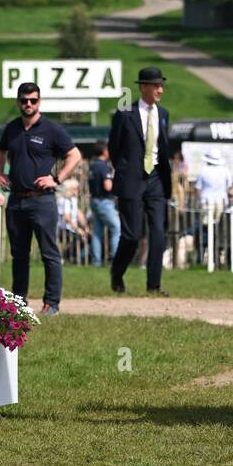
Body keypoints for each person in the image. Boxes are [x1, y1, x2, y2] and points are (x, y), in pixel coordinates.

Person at [0, 82, 82, 316]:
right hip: (16, 200)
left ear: (39, 101)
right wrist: (0, 173)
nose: (28, 104)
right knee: (18, 254)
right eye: (24, 100)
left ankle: (51, 303)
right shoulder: (11, 128)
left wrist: (57, 178)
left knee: (49, 253)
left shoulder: (51, 129)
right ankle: (19, 303)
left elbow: (74, 155)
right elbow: (0, 150)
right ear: (18, 102)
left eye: (33, 100)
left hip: (42, 200)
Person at [107, 66, 174, 296]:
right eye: (156, 85)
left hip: (156, 177)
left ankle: (154, 285)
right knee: (132, 235)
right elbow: (113, 147)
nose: (160, 90)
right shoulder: (125, 113)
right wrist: (125, 169)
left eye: (161, 85)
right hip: (132, 178)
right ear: (143, 87)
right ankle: (117, 272)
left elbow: (164, 147)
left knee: (158, 232)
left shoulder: (163, 114)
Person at [87, 142, 120, 267]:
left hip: (94, 200)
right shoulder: (104, 167)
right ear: (104, 151)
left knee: (97, 232)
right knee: (117, 229)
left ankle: (96, 262)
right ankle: (116, 260)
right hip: (104, 202)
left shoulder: (93, 166)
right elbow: (108, 186)